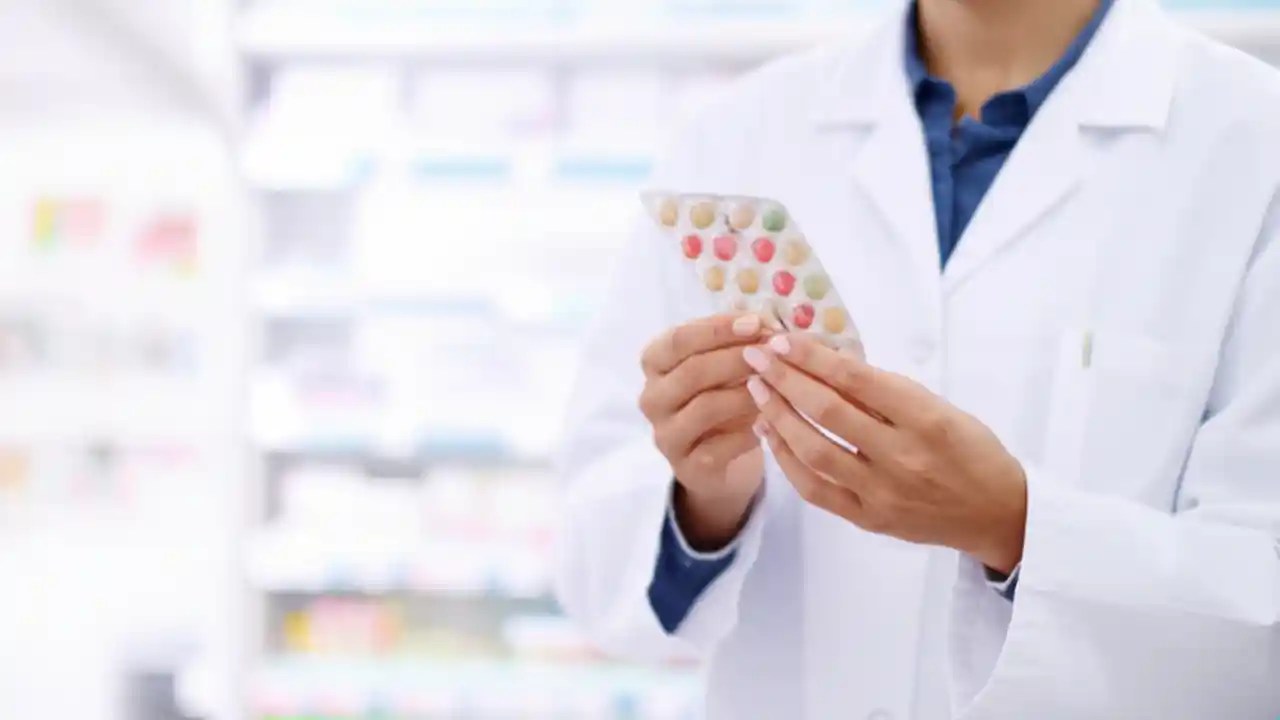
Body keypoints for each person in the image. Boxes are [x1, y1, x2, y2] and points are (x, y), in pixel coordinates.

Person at [555, 0, 1280, 716]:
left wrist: (1016, 527)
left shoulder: (1253, 141)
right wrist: (704, 503)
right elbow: (592, 559)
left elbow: (1261, 611)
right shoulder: (740, 132)